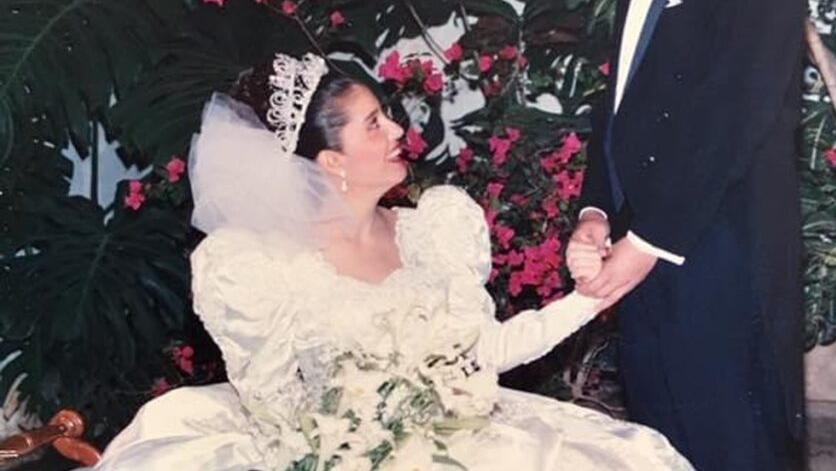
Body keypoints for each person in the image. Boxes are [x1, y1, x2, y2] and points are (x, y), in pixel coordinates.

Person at [88, 52, 692, 471]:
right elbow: (275, 410)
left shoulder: (433, 230)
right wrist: (355, 445)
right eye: (373, 124)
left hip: (465, 439)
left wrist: (591, 296)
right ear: (332, 162)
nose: (397, 130)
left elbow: (490, 352)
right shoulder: (259, 267)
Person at [563, 0, 807, 469]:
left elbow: (733, 112)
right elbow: (617, 112)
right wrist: (594, 212)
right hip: (648, 274)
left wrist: (645, 241)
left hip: (724, 272)